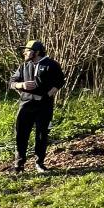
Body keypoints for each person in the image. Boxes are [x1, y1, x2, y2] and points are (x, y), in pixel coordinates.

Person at [8, 39, 65, 173]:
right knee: (21, 134)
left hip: (44, 106)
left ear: (36, 52)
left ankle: (39, 163)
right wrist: (20, 85)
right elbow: (12, 81)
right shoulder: (24, 66)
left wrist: (49, 94)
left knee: (41, 134)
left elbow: (60, 80)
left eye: (27, 51)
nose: (24, 53)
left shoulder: (51, 65)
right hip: (26, 104)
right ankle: (19, 164)